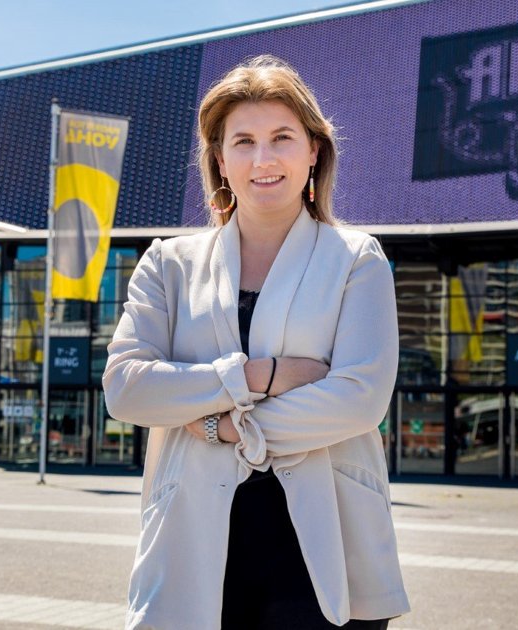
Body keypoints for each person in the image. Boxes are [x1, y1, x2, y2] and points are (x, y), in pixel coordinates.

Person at [103, 55, 408, 630]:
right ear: (220, 159)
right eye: (243, 141)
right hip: (193, 548)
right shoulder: (168, 264)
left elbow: (360, 399)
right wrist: (256, 376)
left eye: (281, 138)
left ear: (313, 150)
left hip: (325, 552)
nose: (263, 159)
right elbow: (126, 389)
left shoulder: (355, 259)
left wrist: (217, 426)